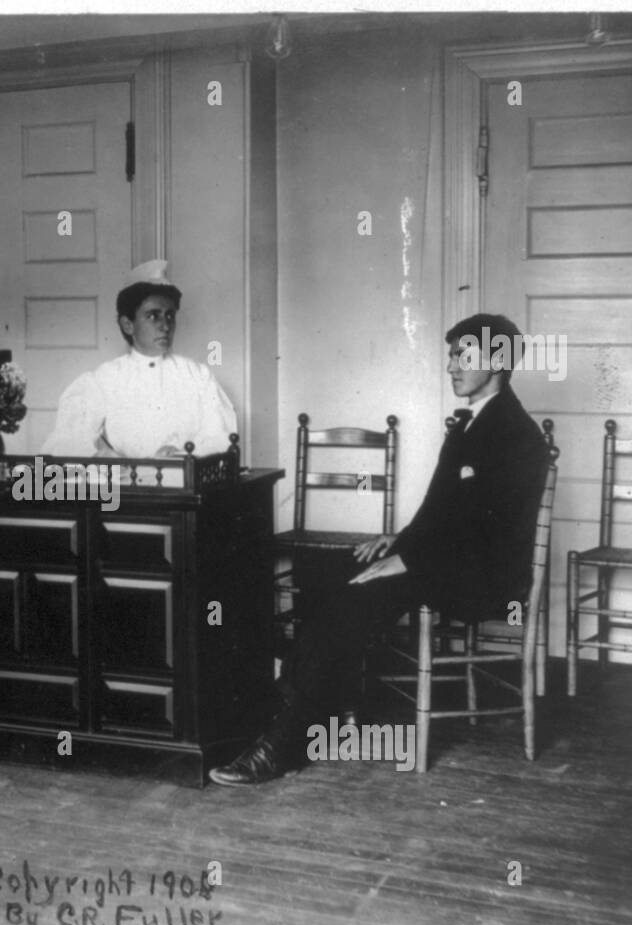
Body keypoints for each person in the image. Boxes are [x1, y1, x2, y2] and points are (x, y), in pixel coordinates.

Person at [209, 313, 549, 786]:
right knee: (326, 571)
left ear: (496, 360)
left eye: (461, 355)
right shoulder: (473, 421)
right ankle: (304, 703)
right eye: (450, 354)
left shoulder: (516, 434)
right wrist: (400, 543)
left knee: (356, 597)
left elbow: (483, 533)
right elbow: (441, 511)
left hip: (482, 577)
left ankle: (283, 744)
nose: (450, 365)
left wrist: (408, 560)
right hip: (444, 560)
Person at [42, 260, 238, 458]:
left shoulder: (198, 375)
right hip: (126, 486)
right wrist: (101, 456)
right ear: (128, 325)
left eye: (169, 316)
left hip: (184, 484)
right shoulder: (104, 380)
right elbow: (66, 439)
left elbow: (222, 436)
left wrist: (186, 453)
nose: (165, 326)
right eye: (153, 316)